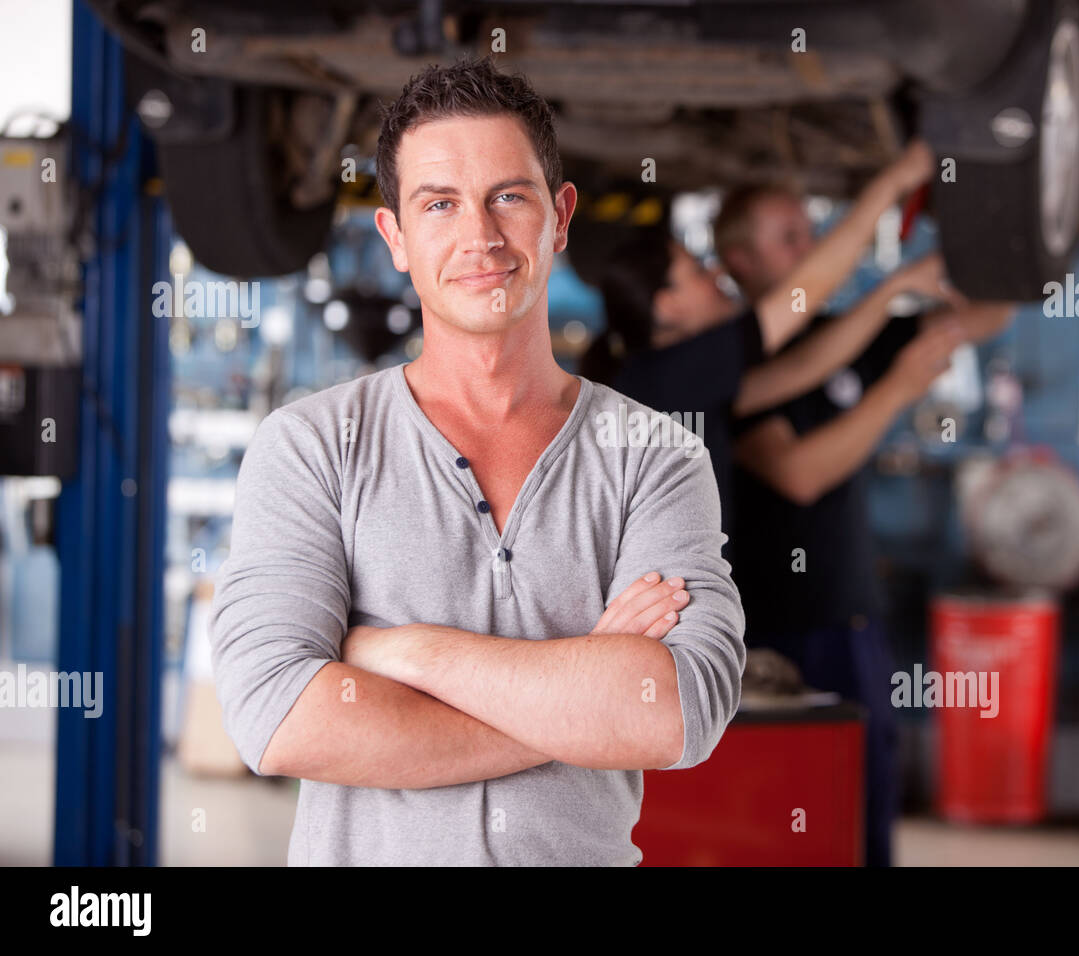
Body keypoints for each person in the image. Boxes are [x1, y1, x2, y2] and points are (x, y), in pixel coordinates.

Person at [208, 57, 747, 866]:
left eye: (509, 196)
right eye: (439, 204)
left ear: (559, 217)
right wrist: (575, 700)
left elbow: (675, 713)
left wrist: (408, 652)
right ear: (394, 236)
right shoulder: (312, 448)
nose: (480, 237)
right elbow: (277, 716)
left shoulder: (655, 458)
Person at [714, 181, 1014, 866]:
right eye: (789, 237)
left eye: (810, 230)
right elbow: (800, 472)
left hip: (852, 620)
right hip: (776, 629)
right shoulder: (731, 361)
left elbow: (989, 316)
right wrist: (898, 390)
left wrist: (971, 229)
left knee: (865, 800)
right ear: (739, 261)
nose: (811, 248)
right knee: (789, 814)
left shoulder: (838, 336)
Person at [580, 142, 961, 558]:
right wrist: (894, 180)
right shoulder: (666, 375)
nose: (715, 273)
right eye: (695, 271)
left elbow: (804, 366)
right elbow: (806, 292)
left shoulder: (663, 382)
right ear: (666, 305)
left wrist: (893, 288)